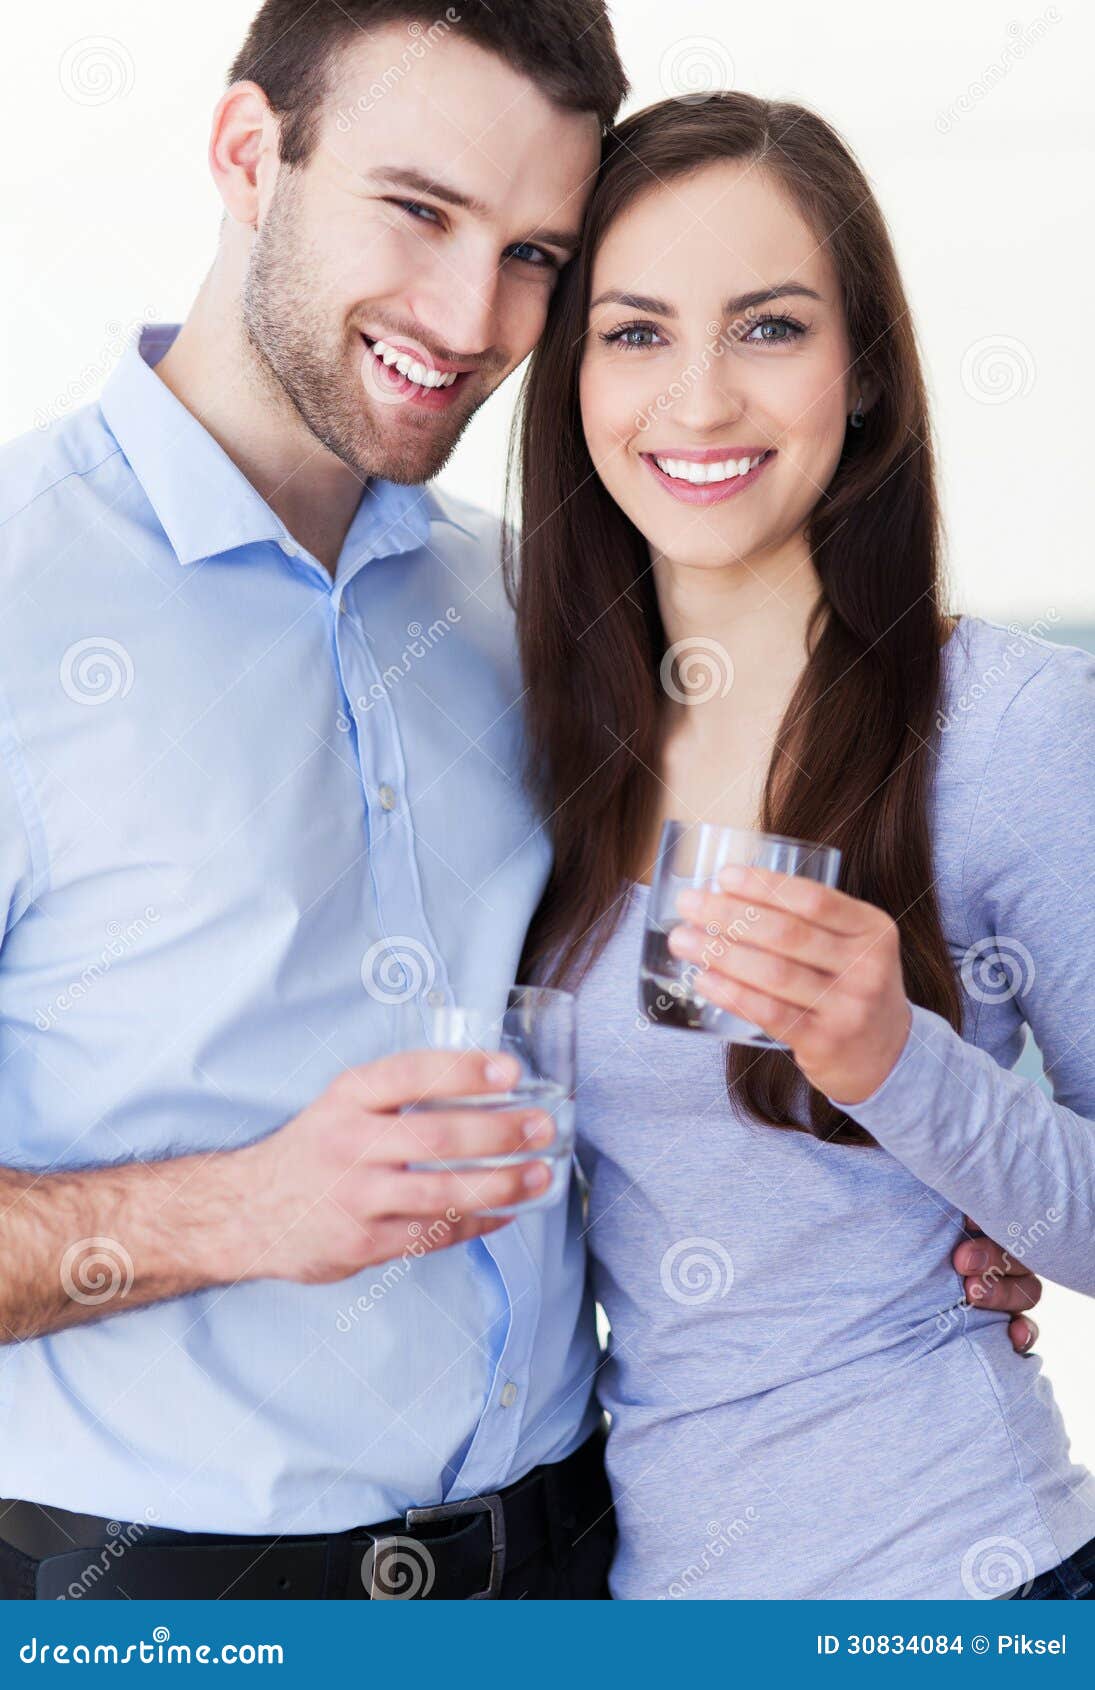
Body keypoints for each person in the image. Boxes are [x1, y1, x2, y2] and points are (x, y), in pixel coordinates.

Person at [0, 6, 1034, 1601]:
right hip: (163, 1596)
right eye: (416, 211)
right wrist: (232, 1209)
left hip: (580, 1569)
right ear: (246, 156)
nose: (469, 312)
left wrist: (932, 1200)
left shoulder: (524, 627)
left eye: (536, 254)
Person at [509, 91, 1094, 1600]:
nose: (697, 402)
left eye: (767, 328)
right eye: (636, 333)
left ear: (868, 372)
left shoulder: (1015, 729)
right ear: (570, 376)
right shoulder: (528, 736)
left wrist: (903, 1064)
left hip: (963, 1583)